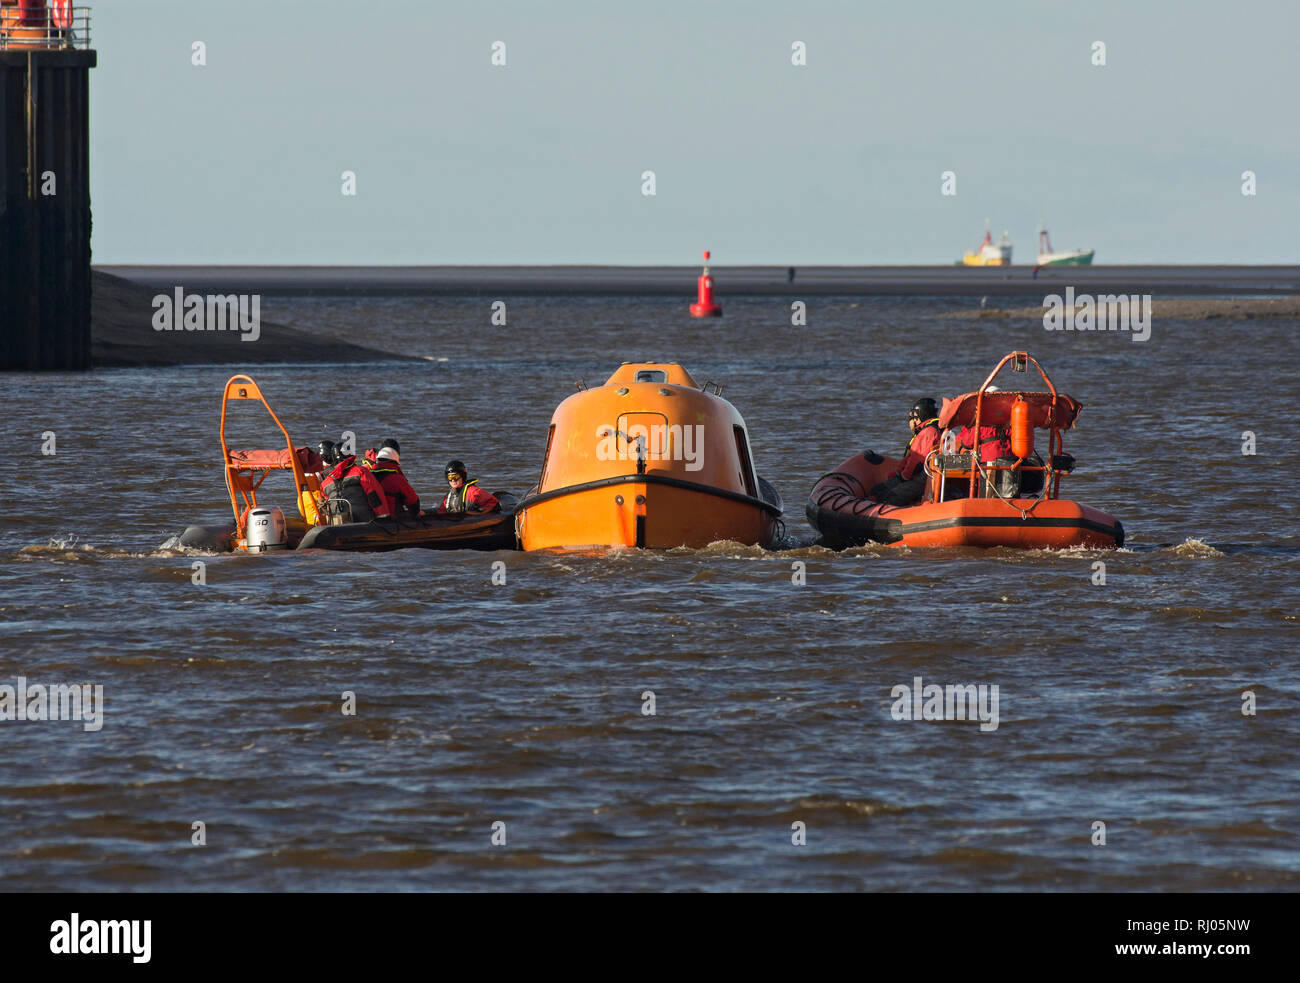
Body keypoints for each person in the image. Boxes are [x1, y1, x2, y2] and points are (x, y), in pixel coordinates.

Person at [870, 398, 941, 506]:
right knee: (880, 489)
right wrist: (898, 473)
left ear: (922, 415)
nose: (914, 421)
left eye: (915, 417)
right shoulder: (933, 430)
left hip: (920, 481)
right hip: (921, 478)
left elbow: (916, 461)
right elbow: (910, 458)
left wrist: (903, 477)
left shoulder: (927, 433)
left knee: (883, 496)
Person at [319, 449, 392, 522]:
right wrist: (383, 516)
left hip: (337, 523)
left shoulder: (325, 482)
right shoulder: (361, 471)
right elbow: (374, 494)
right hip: (364, 521)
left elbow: (325, 503)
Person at [363, 439, 421, 517]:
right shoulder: (397, 478)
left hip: (371, 519)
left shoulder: (368, 475)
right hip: (392, 521)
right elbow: (414, 504)